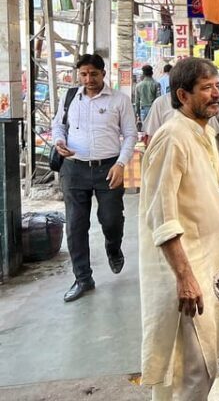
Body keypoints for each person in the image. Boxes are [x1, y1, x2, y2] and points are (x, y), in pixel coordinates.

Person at [138, 57, 219, 400]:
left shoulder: (202, 132)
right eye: (206, 88)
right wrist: (184, 276)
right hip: (188, 269)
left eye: (217, 85)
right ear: (182, 94)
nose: (216, 94)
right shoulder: (171, 137)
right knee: (191, 374)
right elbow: (161, 216)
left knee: (201, 367)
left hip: (207, 265)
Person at [51, 53, 138, 302]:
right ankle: (82, 278)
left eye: (93, 74)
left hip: (108, 168)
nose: (88, 79)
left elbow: (130, 134)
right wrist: (59, 141)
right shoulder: (70, 98)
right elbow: (59, 125)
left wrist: (121, 164)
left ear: (103, 74)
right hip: (74, 169)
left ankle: (113, 247)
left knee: (111, 219)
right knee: (76, 225)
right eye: (84, 74)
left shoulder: (119, 100)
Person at [143, 92, 219, 187]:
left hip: (200, 169)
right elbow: (152, 141)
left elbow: (213, 139)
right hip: (170, 169)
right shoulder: (160, 103)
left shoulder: (203, 102)